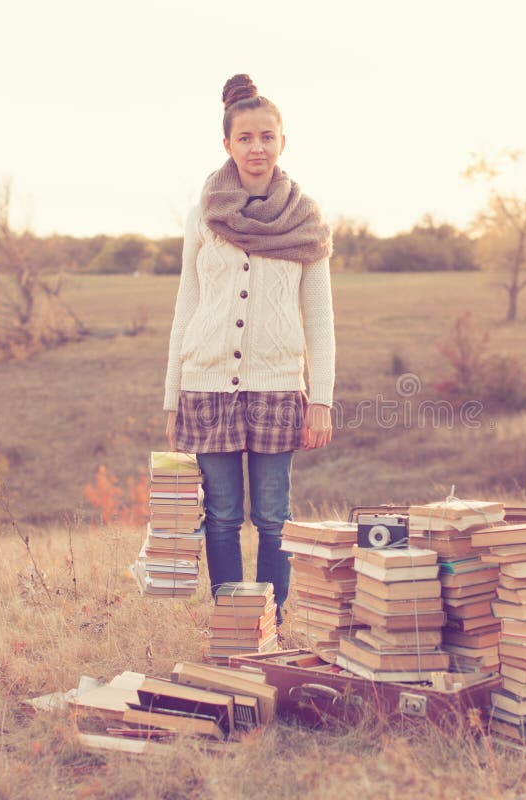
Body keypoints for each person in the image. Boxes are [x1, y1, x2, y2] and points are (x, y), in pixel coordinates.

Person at [163, 74, 335, 625]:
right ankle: (232, 627)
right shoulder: (202, 217)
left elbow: (320, 317)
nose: (256, 147)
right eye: (245, 138)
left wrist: (321, 399)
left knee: (272, 517)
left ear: (283, 141)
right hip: (205, 385)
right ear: (227, 144)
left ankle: (270, 626)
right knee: (220, 516)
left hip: (278, 387)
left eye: (266, 137)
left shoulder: (306, 219)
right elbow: (186, 305)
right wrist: (172, 398)